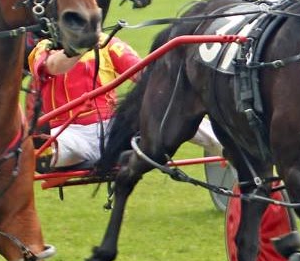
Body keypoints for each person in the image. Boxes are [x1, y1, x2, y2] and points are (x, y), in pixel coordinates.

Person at [28, 34, 221, 169]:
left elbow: (144, 75)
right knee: (39, 152)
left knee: (175, 115)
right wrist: (81, 45)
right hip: (68, 135)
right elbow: (55, 66)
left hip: (113, 131)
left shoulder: (109, 43)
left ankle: (234, 147)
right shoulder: (43, 48)